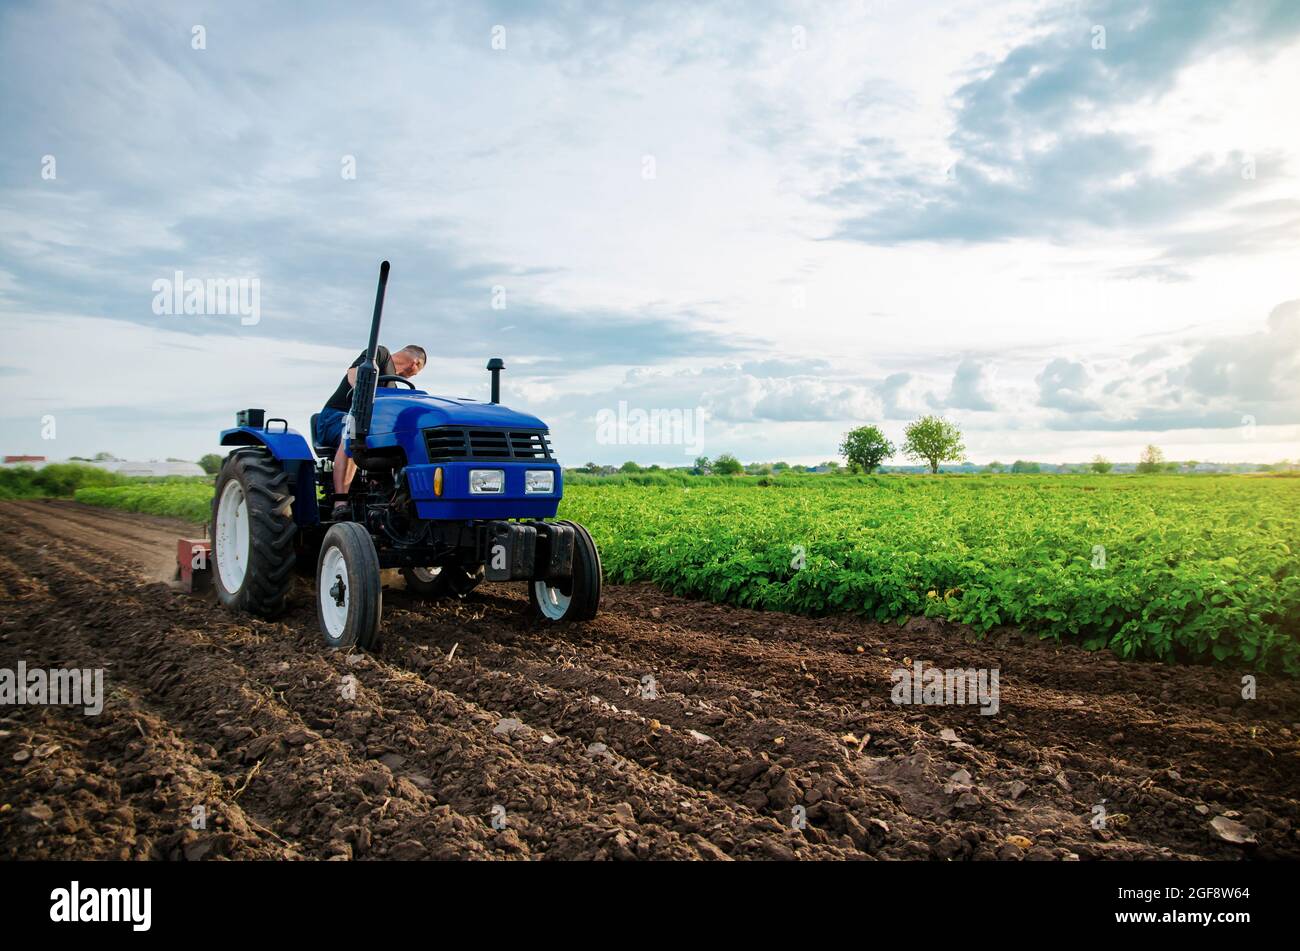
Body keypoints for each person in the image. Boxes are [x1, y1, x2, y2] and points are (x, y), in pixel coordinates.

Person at [316, 344, 426, 517]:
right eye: (416, 373)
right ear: (415, 364)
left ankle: (389, 498)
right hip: (336, 417)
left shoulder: (393, 388)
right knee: (354, 430)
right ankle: (340, 501)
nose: (412, 376)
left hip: (367, 425)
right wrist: (364, 396)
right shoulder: (380, 355)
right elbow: (353, 374)